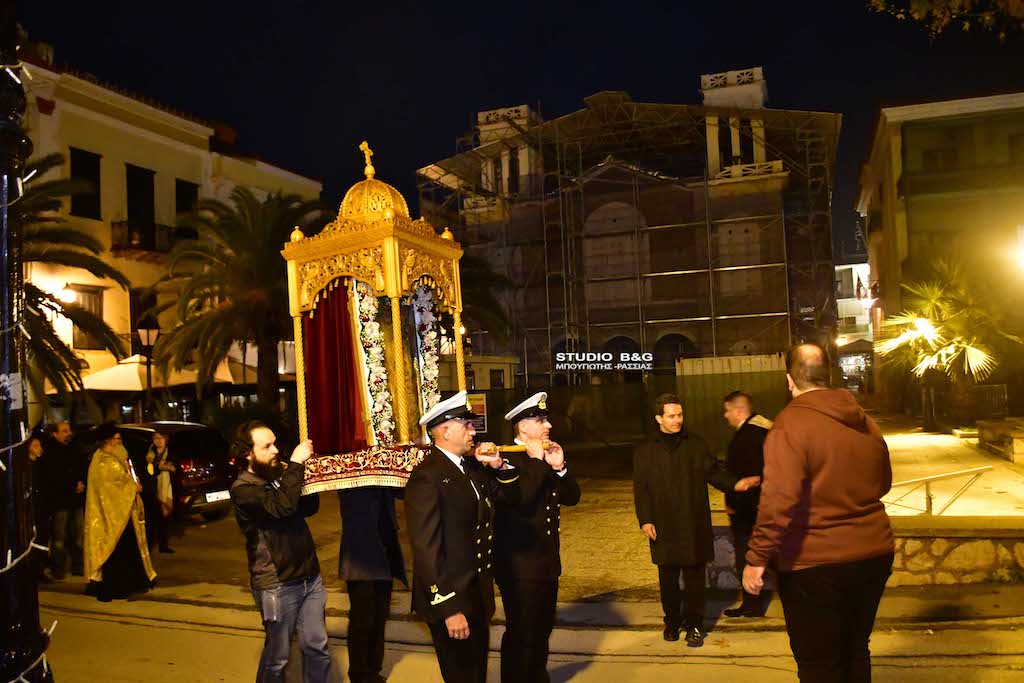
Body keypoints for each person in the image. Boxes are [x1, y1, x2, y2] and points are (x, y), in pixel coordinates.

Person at [743, 344, 894, 682]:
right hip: (874, 554)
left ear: (789, 380)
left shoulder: (790, 424)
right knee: (856, 649)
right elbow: (883, 482)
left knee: (818, 664)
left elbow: (778, 498)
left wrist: (756, 559)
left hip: (815, 563)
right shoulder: (865, 421)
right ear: (829, 376)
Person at [405, 390, 520, 683]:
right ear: (444, 431)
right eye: (466, 425)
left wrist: (497, 465)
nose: (474, 430)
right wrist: (448, 608)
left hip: (476, 595)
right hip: (452, 596)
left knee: (476, 672)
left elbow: (509, 499)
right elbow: (426, 548)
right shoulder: (427, 476)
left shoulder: (469, 468)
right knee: (462, 676)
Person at [632, 393, 761, 647]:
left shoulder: (696, 445)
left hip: (693, 523)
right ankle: (672, 622)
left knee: (694, 580)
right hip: (663, 525)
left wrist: (736, 484)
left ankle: (695, 625)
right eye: (671, 416)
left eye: (680, 415)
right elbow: (641, 489)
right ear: (659, 418)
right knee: (667, 579)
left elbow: (715, 473)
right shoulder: (645, 451)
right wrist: (645, 520)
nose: (678, 420)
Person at [230, 420, 331, 683]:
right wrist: (296, 466)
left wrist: (305, 474)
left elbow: (308, 507)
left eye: (275, 443)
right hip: (276, 584)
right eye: (267, 446)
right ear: (247, 454)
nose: (276, 450)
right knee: (277, 659)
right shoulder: (244, 490)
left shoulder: (279, 476)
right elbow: (282, 508)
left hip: (310, 577)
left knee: (317, 648)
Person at [495, 391, 580, 683]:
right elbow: (523, 498)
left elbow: (573, 497)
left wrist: (560, 468)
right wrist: (539, 463)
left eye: (546, 418)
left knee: (542, 629)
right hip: (518, 567)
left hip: (546, 563)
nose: (549, 425)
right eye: (541, 419)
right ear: (522, 427)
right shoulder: (504, 459)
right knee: (522, 632)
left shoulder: (542, 458)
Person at [338, 487, 406, 683]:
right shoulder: (351, 468)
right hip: (359, 554)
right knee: (363, 617)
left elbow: (402, 491)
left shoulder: (382, 466)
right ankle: (359, 674)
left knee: (380, 614)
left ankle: (374, 670)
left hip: (384, 549)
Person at [83, 423, 157, 602]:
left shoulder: (116, 458)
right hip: (111, 517)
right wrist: (133, 488)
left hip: (125, 514)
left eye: (119, 439)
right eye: (116, 439)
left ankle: (135, 582)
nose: (119, 442)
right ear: (107, 441)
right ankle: (117, 587)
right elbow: (109, 488)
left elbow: (125, 477)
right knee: (116, 552)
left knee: (130, 550)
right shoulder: (101, 461)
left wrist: (134, 484)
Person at [721, 391, 773, 618]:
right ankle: (752, 603)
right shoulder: (763, 429)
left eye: (727, 410)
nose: (725, 415)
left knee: (748, 555)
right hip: (762, 507)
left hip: (748, 511)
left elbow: (747, 476)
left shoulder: (748, 436)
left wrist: (734, 503)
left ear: (739, 410)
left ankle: (752, 603)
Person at [45, 421, 87, 579]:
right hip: (60, 501)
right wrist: (72, 485)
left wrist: (81, 483)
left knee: (78, 535)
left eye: (69, 430)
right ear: (55, 434)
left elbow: (80, 467)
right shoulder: (50, 451)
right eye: (64, 431)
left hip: (75, 500)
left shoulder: (73, 449)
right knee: (59, 537)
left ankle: (77, 566)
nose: (68, 433)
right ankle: (59, 568)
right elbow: (54, 476)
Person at [135, 429, 176, 554]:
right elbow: (147, 468)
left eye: (161, 438)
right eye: (156, 438)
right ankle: (148, 544)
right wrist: (162, 466)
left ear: (165, 439)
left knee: (164, 517)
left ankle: (163, 545)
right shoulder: (149, 453)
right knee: (151, 518)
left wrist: (164, 466)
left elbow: (174, 467)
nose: (158, 441)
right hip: (151, 488)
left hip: (166, 487)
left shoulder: (170, 452)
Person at [28, 433, 54, 582]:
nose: (39, 449)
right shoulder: (25, 468)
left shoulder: (41, 465)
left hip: (42, 508)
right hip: (32, 509)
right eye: (35, 446)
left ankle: (41, 568)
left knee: (43, 539)